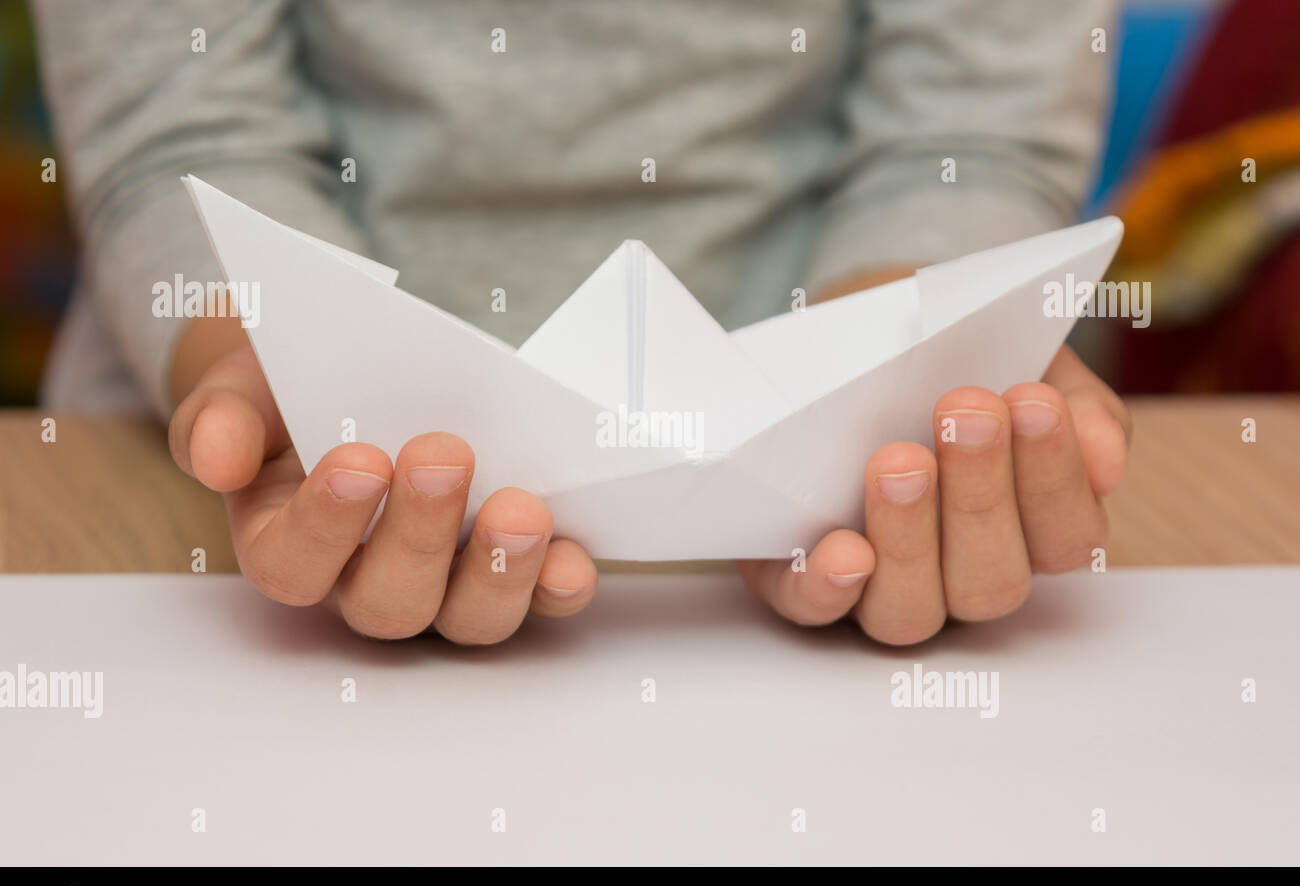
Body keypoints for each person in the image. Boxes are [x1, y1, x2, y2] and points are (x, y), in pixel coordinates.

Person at [31, 0, 1131, 645]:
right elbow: (181, 121)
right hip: (192, 503)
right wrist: (264, 358)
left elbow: (967, 131)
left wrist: (895, 371)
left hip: (802, 453)